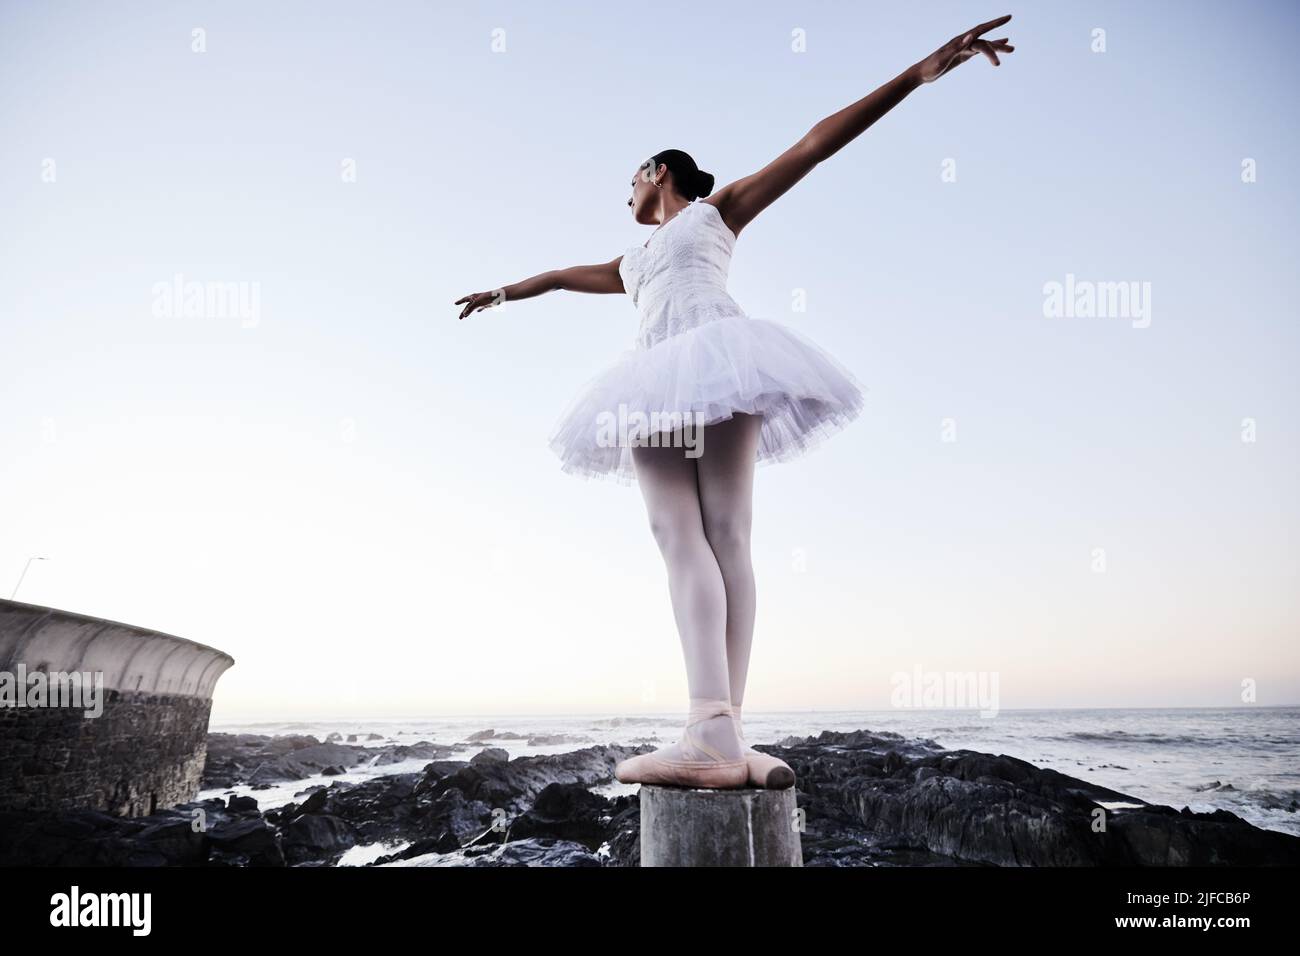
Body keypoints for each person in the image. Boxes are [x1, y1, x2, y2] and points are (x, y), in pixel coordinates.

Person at [456, 16, 1015, 789]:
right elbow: (557, 276)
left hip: (713, 361)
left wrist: (913, 77)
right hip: (667, 373)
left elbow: (812, 145)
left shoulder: (719, 212)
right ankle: (722, 732)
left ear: (657, 171)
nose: (624, 195)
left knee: (708, 533)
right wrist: (503, 292)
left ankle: (715, 728)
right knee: (711, 536)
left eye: (630, 181)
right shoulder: (630, 262)